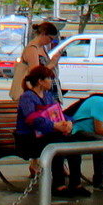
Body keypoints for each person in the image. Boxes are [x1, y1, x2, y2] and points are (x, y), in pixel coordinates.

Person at [13, 65, 86, 197]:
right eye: (49, 78)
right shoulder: (27, 97)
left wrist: (68, 122)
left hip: (46, 135)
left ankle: (76, 184)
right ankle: (59, 185)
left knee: (73, 142)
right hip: (28, 139)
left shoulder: (47, 96)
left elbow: (58, 113)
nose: (51, 81)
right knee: (56, 144)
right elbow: (33, 119)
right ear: (40, 81)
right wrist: (55, 126)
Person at [11, 21, 60, 101]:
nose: (50, 42)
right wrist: (52, 64)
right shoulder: (32, 48)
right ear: (43, 34)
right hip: (34, 92)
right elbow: (35, 72)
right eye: (50, 39)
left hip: (42, 90)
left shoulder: (41, 47)